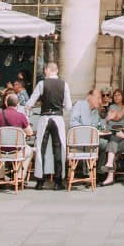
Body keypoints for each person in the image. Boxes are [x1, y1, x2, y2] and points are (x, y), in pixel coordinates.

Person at [26, 62, 71, 190]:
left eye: (45, 69)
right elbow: (68, 106)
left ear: (47, 70)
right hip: (58, 118)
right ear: (56, 71)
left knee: (41, 148)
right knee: (59, 148)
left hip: (44, 117)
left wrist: (28, 110)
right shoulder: (64, 84)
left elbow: (30, 102)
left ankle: (40, 181)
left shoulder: (42, 84)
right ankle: (58, 181)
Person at [69, 87, 114, 186]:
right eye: (98, 97)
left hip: (91, 139)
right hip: (79, 138)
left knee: (107, 144)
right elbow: (73, 123)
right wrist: (88, 131)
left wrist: (106, 119)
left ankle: (99, 173)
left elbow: (99, 126)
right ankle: (89, 174)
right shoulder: (80, 105)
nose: (100, 100)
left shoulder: (95, 112)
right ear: (90, 97)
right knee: (102, 144)